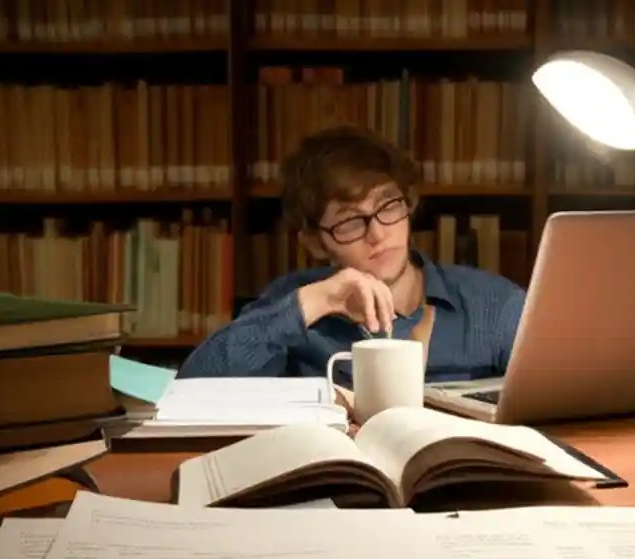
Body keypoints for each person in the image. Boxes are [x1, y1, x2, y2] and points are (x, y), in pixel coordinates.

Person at [177, 125, 526, 383]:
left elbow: (563, 398)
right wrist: (315, 302)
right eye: (349, 222)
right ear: (315, 242)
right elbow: (193, 386)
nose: (377, 233)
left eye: (388, 205)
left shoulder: (493, 305)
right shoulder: (293, 301)